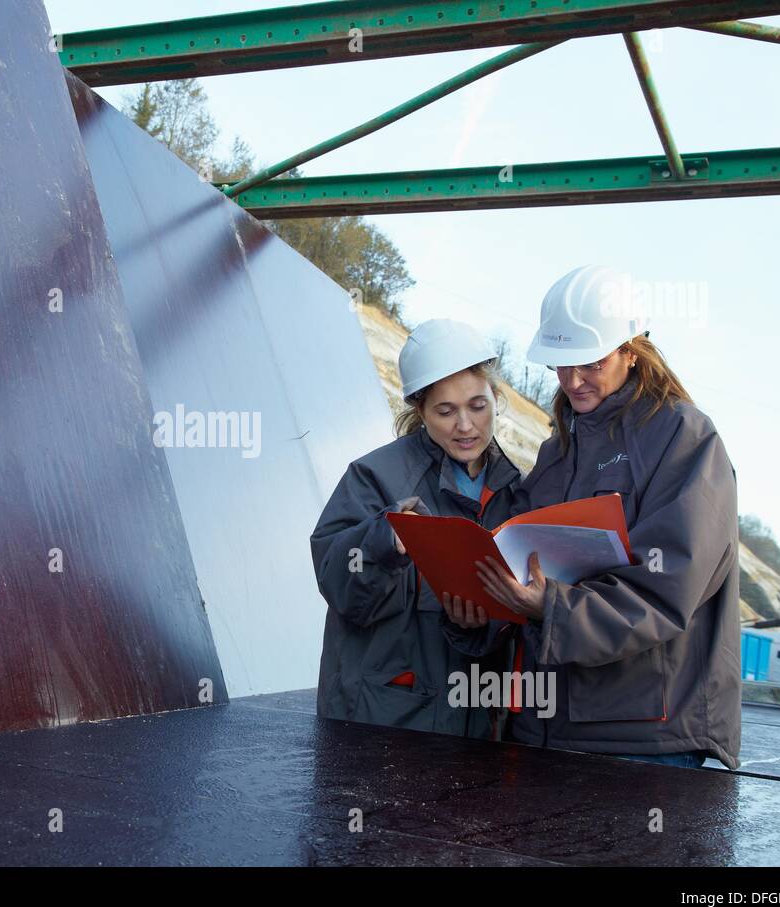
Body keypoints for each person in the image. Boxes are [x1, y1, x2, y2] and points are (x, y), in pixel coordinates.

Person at [441, 266, 741, 769]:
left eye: (590, 363)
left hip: (646, 740)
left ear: (631, 350)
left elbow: (666, 588)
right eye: (560, 365)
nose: (572, 381)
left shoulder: (684, 439)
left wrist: (549, 607)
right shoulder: (557, 453)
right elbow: (514, 561)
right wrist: (477, 613)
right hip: (547, 728)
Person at [310, 319, 522, 737]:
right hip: (380, 720)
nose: (465, 425)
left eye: (478, 406)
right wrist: (382, 541)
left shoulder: (516, 492)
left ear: (496, 399)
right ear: (420, 411)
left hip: (473, 726)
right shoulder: (375, 476)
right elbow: (337, 579)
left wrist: (484, 625)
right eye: (445, 411)